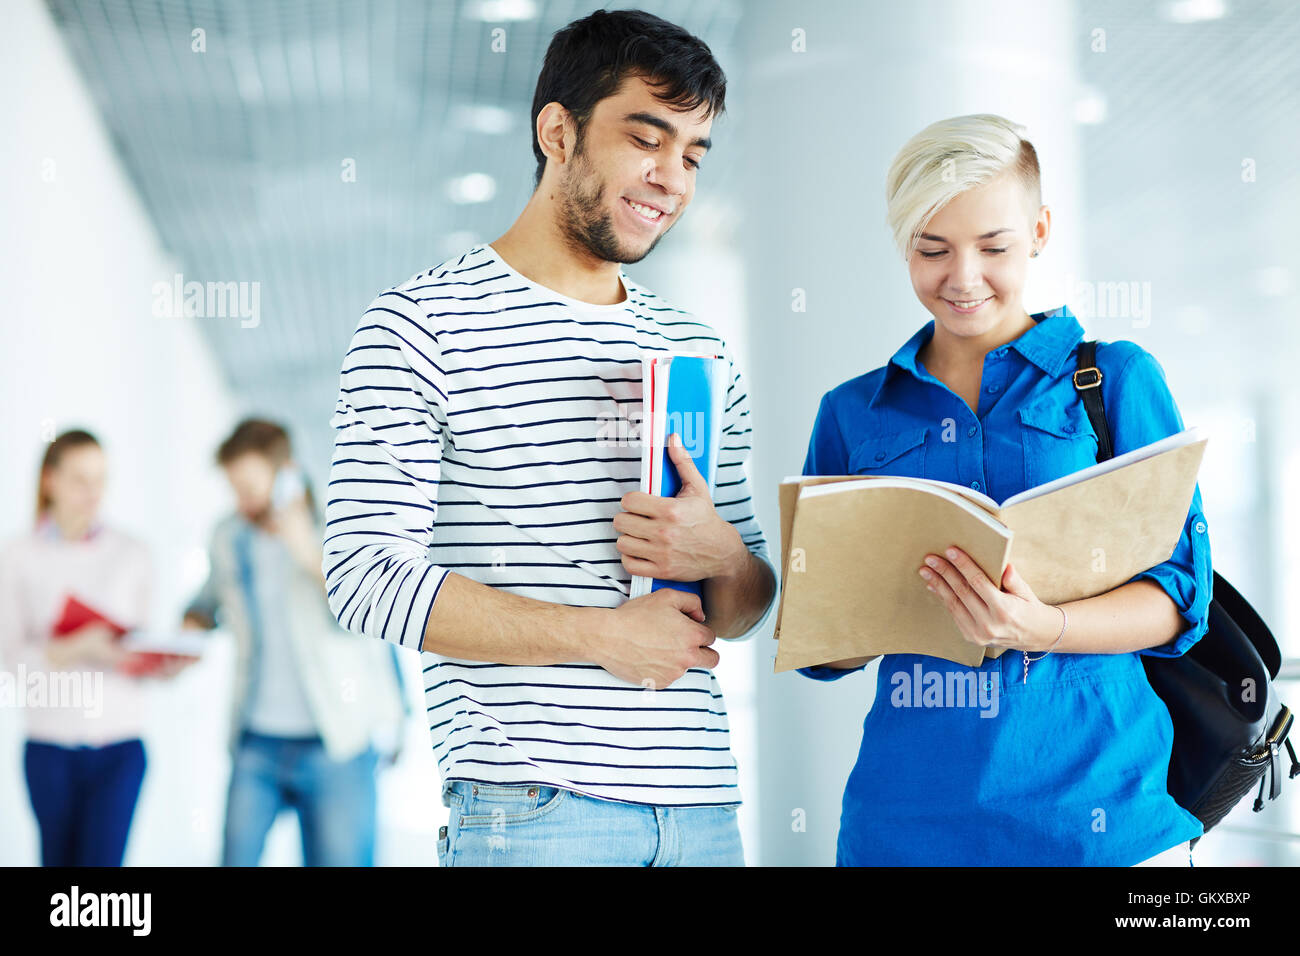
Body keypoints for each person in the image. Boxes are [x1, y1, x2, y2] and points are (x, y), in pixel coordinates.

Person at [323, 8, 777, 867]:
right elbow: (362, 578)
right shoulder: (420, 325)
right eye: (646, 139)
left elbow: (749, 605)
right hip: (533, 813)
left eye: (691, 154)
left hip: (705, 810)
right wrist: (604, 636)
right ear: (558, 131)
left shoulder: (699, 351)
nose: (671, 178)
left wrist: (723, 554)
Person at [796, 114, 1211, 866]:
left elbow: (1181, 599)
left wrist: (1040, 626)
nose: (962, 277)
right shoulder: (852, 412)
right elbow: (821, 648)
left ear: (1041, 231)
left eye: (993, 247)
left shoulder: (1112, 380)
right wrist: (862, 610)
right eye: (932, 249)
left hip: (1105, 824)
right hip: (906, 829)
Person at [182, 419, 407, 867]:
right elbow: (207, 601)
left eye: (249, 487)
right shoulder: (228, 537)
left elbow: (372, 618)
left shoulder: (342, 533)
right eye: (234, 489)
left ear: (287, 473)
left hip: (336, 744)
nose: (241, 501)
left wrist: (310, 555)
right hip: (255, 743)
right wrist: (187, 626)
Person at [0, 429, 173, 866]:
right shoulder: (17, 556)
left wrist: (157, 663)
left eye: (101, 479)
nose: (92, 492)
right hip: (48, 747)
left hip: (120, 746)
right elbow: (9, 662)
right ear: (49, 480)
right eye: (80, 478)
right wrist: (77, 646)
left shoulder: (134, 553)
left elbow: (143, 646)